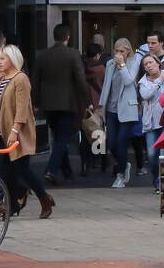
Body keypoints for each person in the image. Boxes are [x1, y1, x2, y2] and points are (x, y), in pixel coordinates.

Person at [0, 44, 53, 219]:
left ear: (13, 60)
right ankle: (1, 205)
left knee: (22, 171)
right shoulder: (2, 79)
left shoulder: (21, 79)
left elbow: (22, 109)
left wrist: (15, 130)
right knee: (0, 170)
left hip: (18, 133)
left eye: (3, 59)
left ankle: (43, 197)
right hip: (1, 132)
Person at [33, 23, 90, 186]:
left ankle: (66, 171)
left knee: (58, 137)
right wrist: (88, 102)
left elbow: (35, 80)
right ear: (68, 37)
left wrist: (36, 101)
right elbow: (80, 79)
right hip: (68, 103)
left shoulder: (43, 55)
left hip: (48, 104)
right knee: (63, 138)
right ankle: (51, 169)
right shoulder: (73, 54)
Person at [99, 38, 140, 189]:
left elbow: (129, 81)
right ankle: (124, 163)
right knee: (111, 143)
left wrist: (122, 65)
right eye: (116, 51)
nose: (119, 54)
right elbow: (105, 86)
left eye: (122, 51)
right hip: (111, 109)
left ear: (128, 51)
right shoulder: (109, 64)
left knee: (122, 142)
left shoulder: (133, 63)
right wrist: (101, 105)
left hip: (127, 108)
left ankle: (121, 175)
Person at [137, 53, 164, 191]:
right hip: (150, 124)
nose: (148, 66)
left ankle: (162, 184)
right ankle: (156, 177)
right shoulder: (142, 82)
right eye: (145, 64)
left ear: (158, 63)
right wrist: (159, 81)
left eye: (150, 62)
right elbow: (146, 94)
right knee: (151, 155)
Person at [82, 41, 108, 175]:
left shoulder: (82, 68)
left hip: (85, 105)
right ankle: (102, 162)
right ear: (98, 55)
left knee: (86, 133)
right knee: (100, 133)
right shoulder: (102, 69)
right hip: (99, 104)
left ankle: (87, 163)